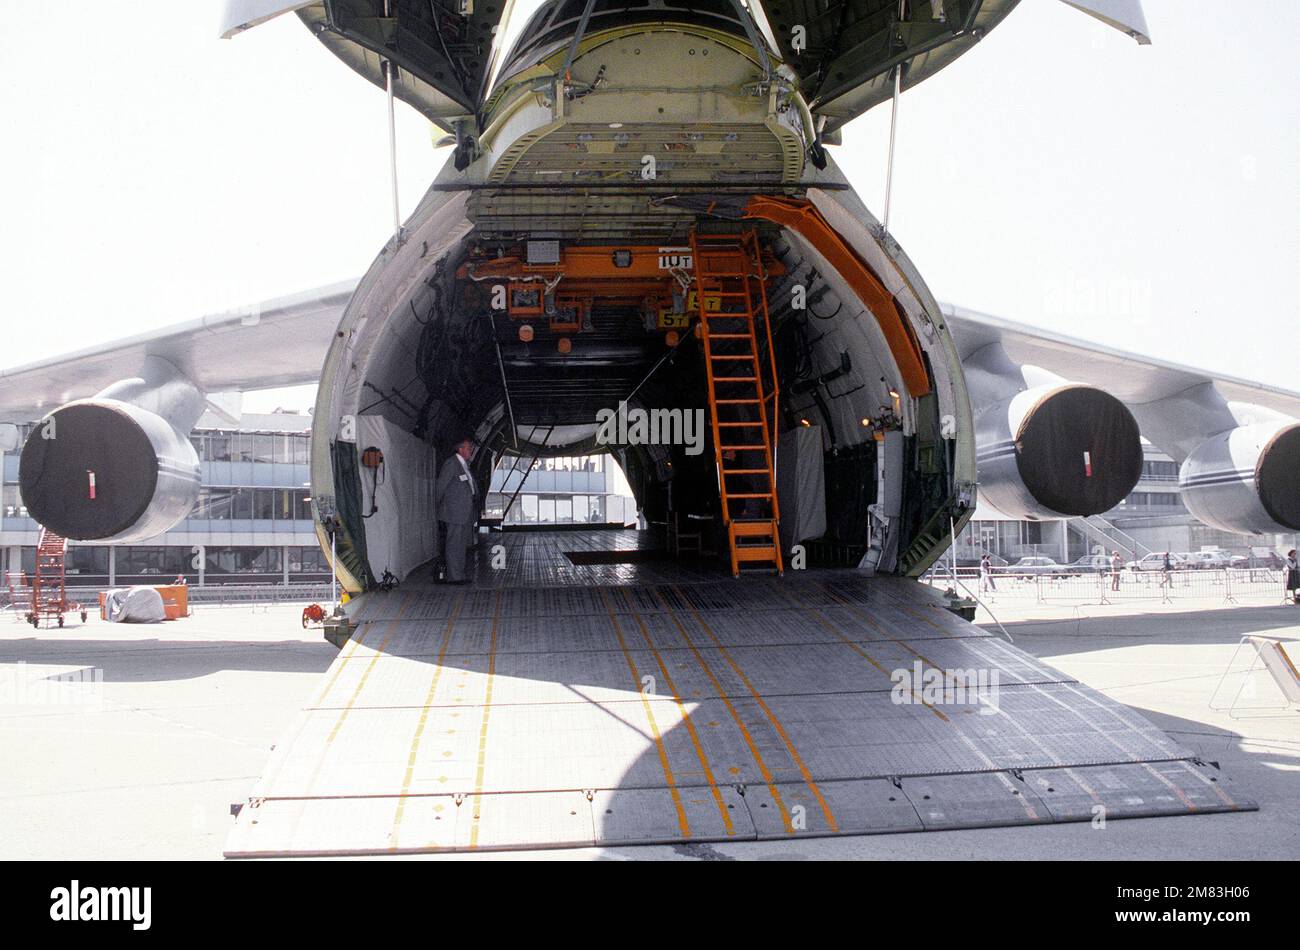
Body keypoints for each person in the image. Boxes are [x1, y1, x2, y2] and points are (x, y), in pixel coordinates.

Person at [436, 437, 478, 584]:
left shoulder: (465, 465)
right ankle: (454, 577)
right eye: (468, 448)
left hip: (464, 512)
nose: (471, 450)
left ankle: (459, 575)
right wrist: (439, 507)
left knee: (461, 544)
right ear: (460, 449)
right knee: (454, 544)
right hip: (453, 512)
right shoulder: (451, 464)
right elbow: (440, 487)